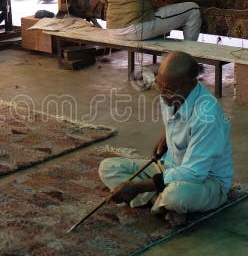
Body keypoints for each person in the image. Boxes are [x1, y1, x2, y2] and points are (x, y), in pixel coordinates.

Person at [98, 51, 233, 227]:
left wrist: (138, 187)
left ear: (191, 84)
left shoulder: (208, 115)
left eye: (168, 89)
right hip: (170, 167)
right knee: (108, 168)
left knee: (176, 196)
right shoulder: (169, 95)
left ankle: (162, 200)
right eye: (159, 85)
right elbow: (178, 123)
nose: (162, 93)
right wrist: (167, 136)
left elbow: (194, 173)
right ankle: (160, 202)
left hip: (206, 181)